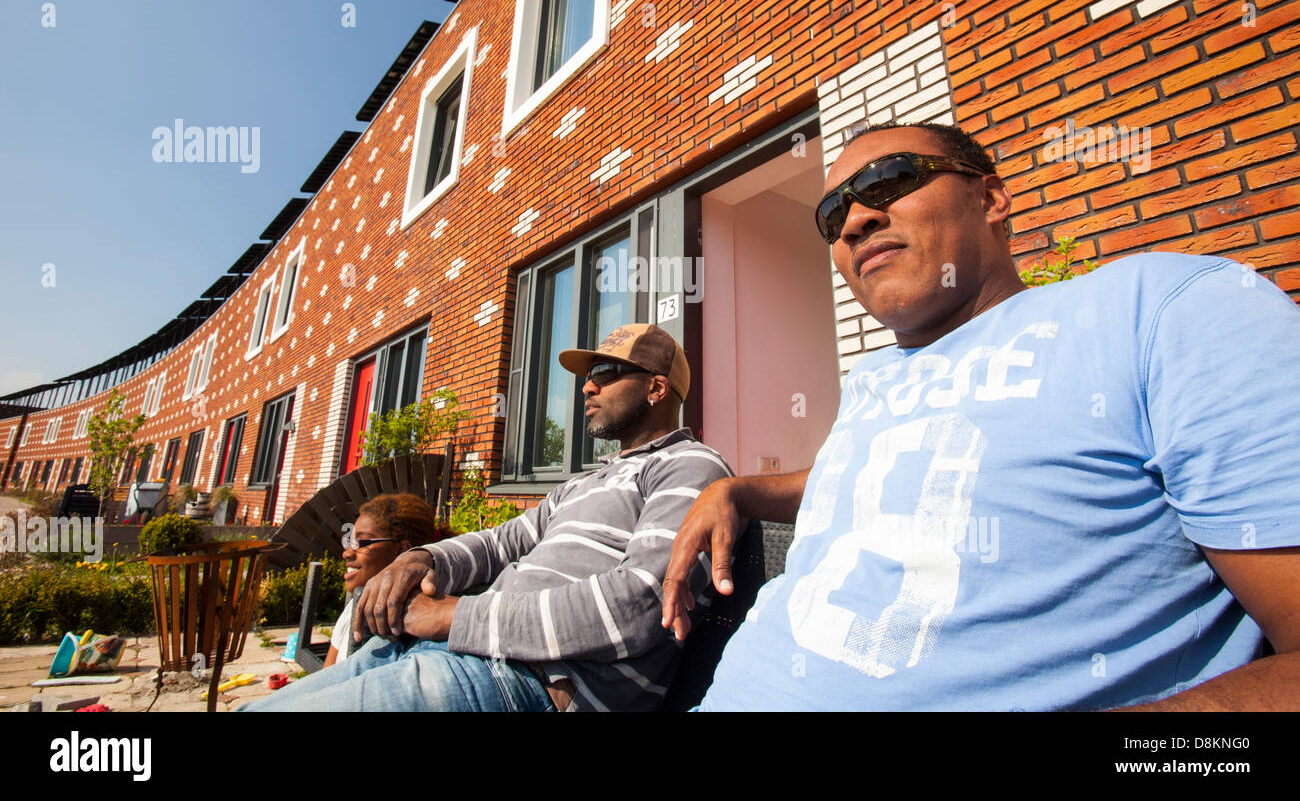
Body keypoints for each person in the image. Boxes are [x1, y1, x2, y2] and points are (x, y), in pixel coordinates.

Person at [662, 122, 1300, 711]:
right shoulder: (876, 378)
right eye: (832, 215)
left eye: (888, 180)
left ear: (991, 198)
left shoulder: (1154, 310)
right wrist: (736, 489)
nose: (855, 219)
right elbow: (859, 479)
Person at [245, 323, 731, 711]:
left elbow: (643, 605)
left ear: (657, 388)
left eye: (605, 371)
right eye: (589, 374)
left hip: (533, 683)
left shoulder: (691, 468)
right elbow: (501, 542)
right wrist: (419, 560)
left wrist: (453, 616)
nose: (587, 386)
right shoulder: (583, 483)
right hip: (459, 653)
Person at [324, 493, 444, 667]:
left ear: (402, 551)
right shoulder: (354, 607)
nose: (347, 552)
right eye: (350, 541)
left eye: (362, 542)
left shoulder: (418, 629)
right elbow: (324, 675)